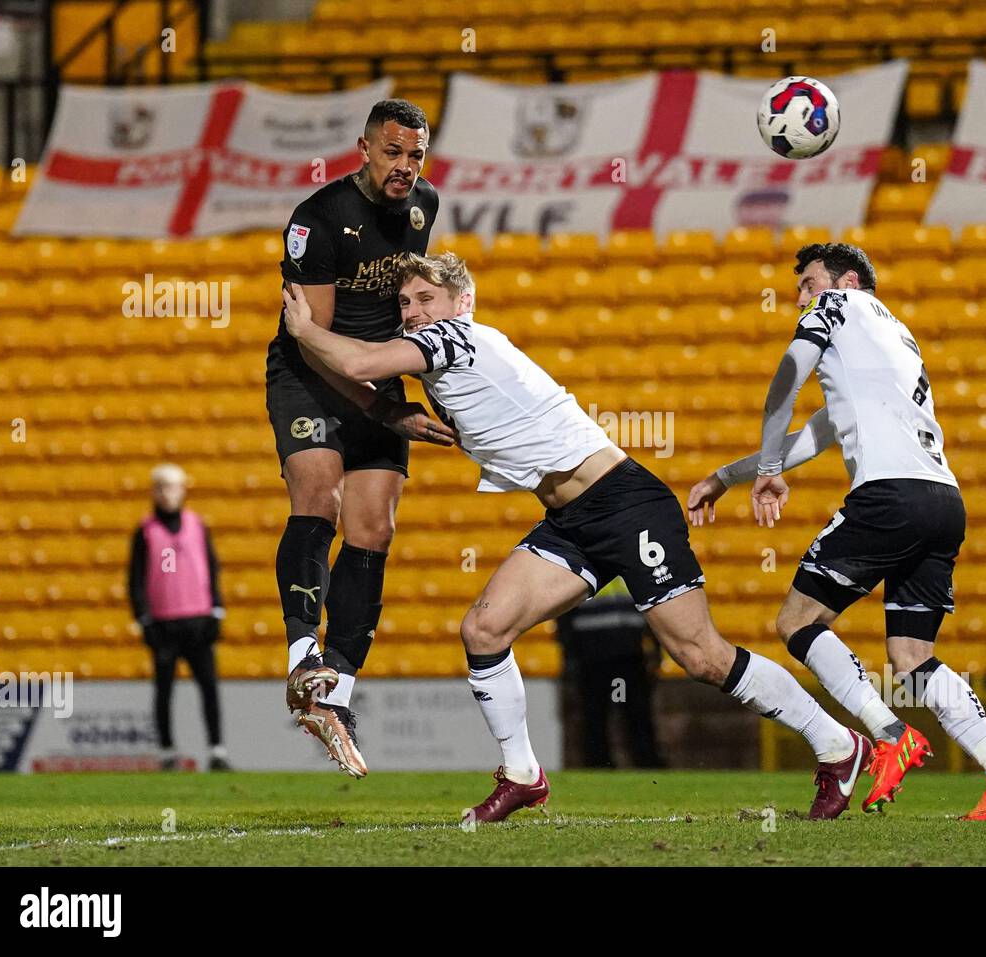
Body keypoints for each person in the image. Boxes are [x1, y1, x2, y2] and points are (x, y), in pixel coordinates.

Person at [282, 253, 873, 822]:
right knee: (484, 629)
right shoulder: (448, 355)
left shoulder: (455, 337)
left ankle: (837, 744)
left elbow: (359, 364)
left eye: (425, 299)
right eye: (405, 302)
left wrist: (305, 329)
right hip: (571, 520)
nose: (412, 311)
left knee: (701, 657)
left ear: (462, 301)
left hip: (624, 503)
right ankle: (521, 777)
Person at [687, 243, 986, 821]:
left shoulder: (834, 310)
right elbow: (818, 433)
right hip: (944, 502)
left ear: (847, 281)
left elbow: (786, 378)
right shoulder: (894, 337)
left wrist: (770, 472)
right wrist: (729, 475)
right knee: (911, 656)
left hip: (889, 497)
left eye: (808, 283)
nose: (800, 298)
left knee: (796, 622)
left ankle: (888, 734)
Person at [267, 98, 456, 778]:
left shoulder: (422, 206)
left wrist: (429, 389)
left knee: (375, 527)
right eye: (394, 153)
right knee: (320, 495)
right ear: (364, 149)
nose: (406, 167)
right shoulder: (316, 222)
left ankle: (335, 697)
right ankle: (302, 658)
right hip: (311, 377)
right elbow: (314, 344)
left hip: (379, 375)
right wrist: (388, 410)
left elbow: (411, 307)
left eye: (416, 155)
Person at [127, 463, 229, 771]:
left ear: (183, 490)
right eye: (161, 486)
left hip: (198, 621)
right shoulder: (145, 531)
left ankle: (216, 750)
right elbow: (135, 579)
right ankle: (167, 752)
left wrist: (216, 610)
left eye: (172, 486)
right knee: (164, 690)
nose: (167, 493)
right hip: (163, 624)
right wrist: (143, 618)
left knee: (209, 687)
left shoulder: (197, 525)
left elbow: (211, 568)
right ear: (153, 491)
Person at [555, 579, 664, 768]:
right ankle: (600, 764)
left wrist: (655, 648)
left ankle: (646, 763)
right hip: (594, 657)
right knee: (596, 715)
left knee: (636, 714)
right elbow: (564, 615)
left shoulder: (625, 569)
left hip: (629, 656)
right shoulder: (580, 572)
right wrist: (571, 656)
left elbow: (653, 608)